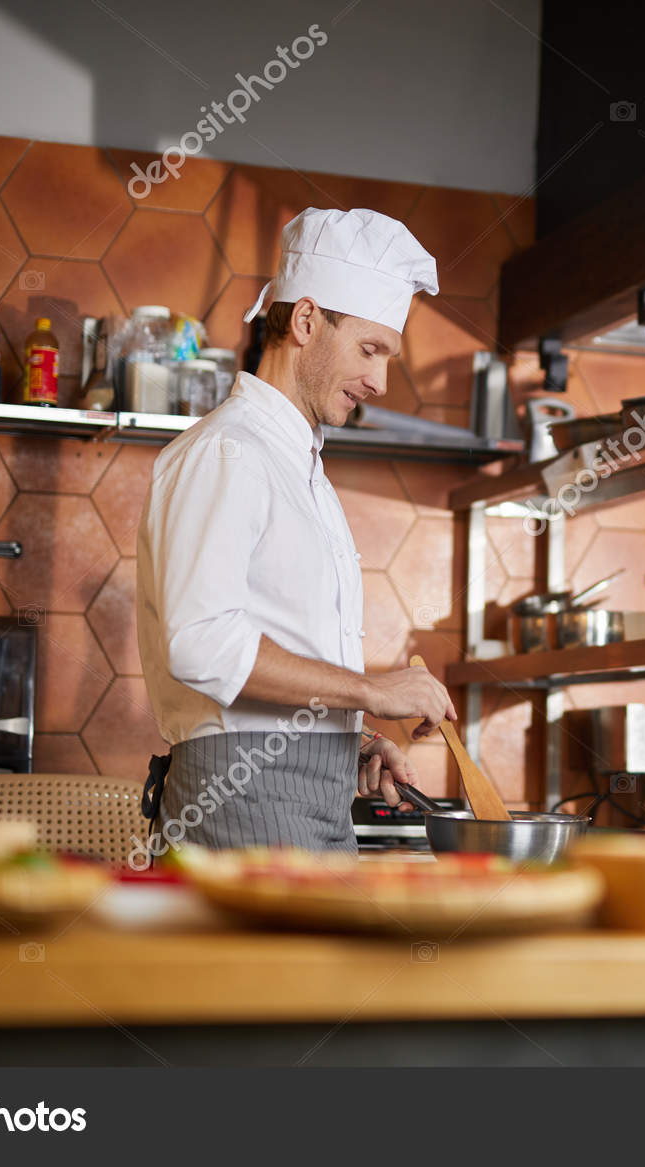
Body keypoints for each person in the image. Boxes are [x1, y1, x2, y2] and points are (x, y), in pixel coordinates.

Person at [135, 207, 456, 853]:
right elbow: (202, 643)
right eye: (370, 350)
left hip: (309, 795)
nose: (378, 380)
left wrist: (351, 735)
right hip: (243, 796)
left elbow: (278, 646)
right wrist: (370, 689)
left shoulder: (298, 467)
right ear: (306, 320)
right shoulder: (229, 451)